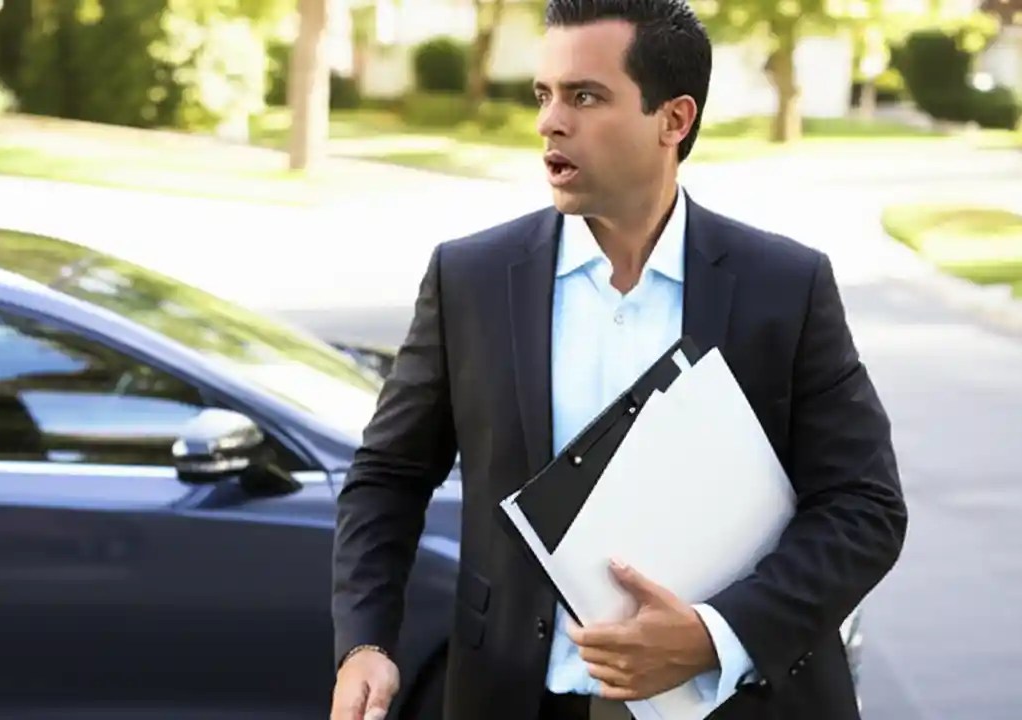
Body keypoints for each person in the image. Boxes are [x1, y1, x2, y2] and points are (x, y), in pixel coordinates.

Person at [329, 0, 908, 718]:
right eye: (544, 94)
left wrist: (715, 635)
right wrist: (365, 642)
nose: (550, 122)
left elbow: (864, 507)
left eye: (584, 97)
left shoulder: (785, 287)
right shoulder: (469, 279)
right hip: (519, 700)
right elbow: (387, 476)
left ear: (674, 119)